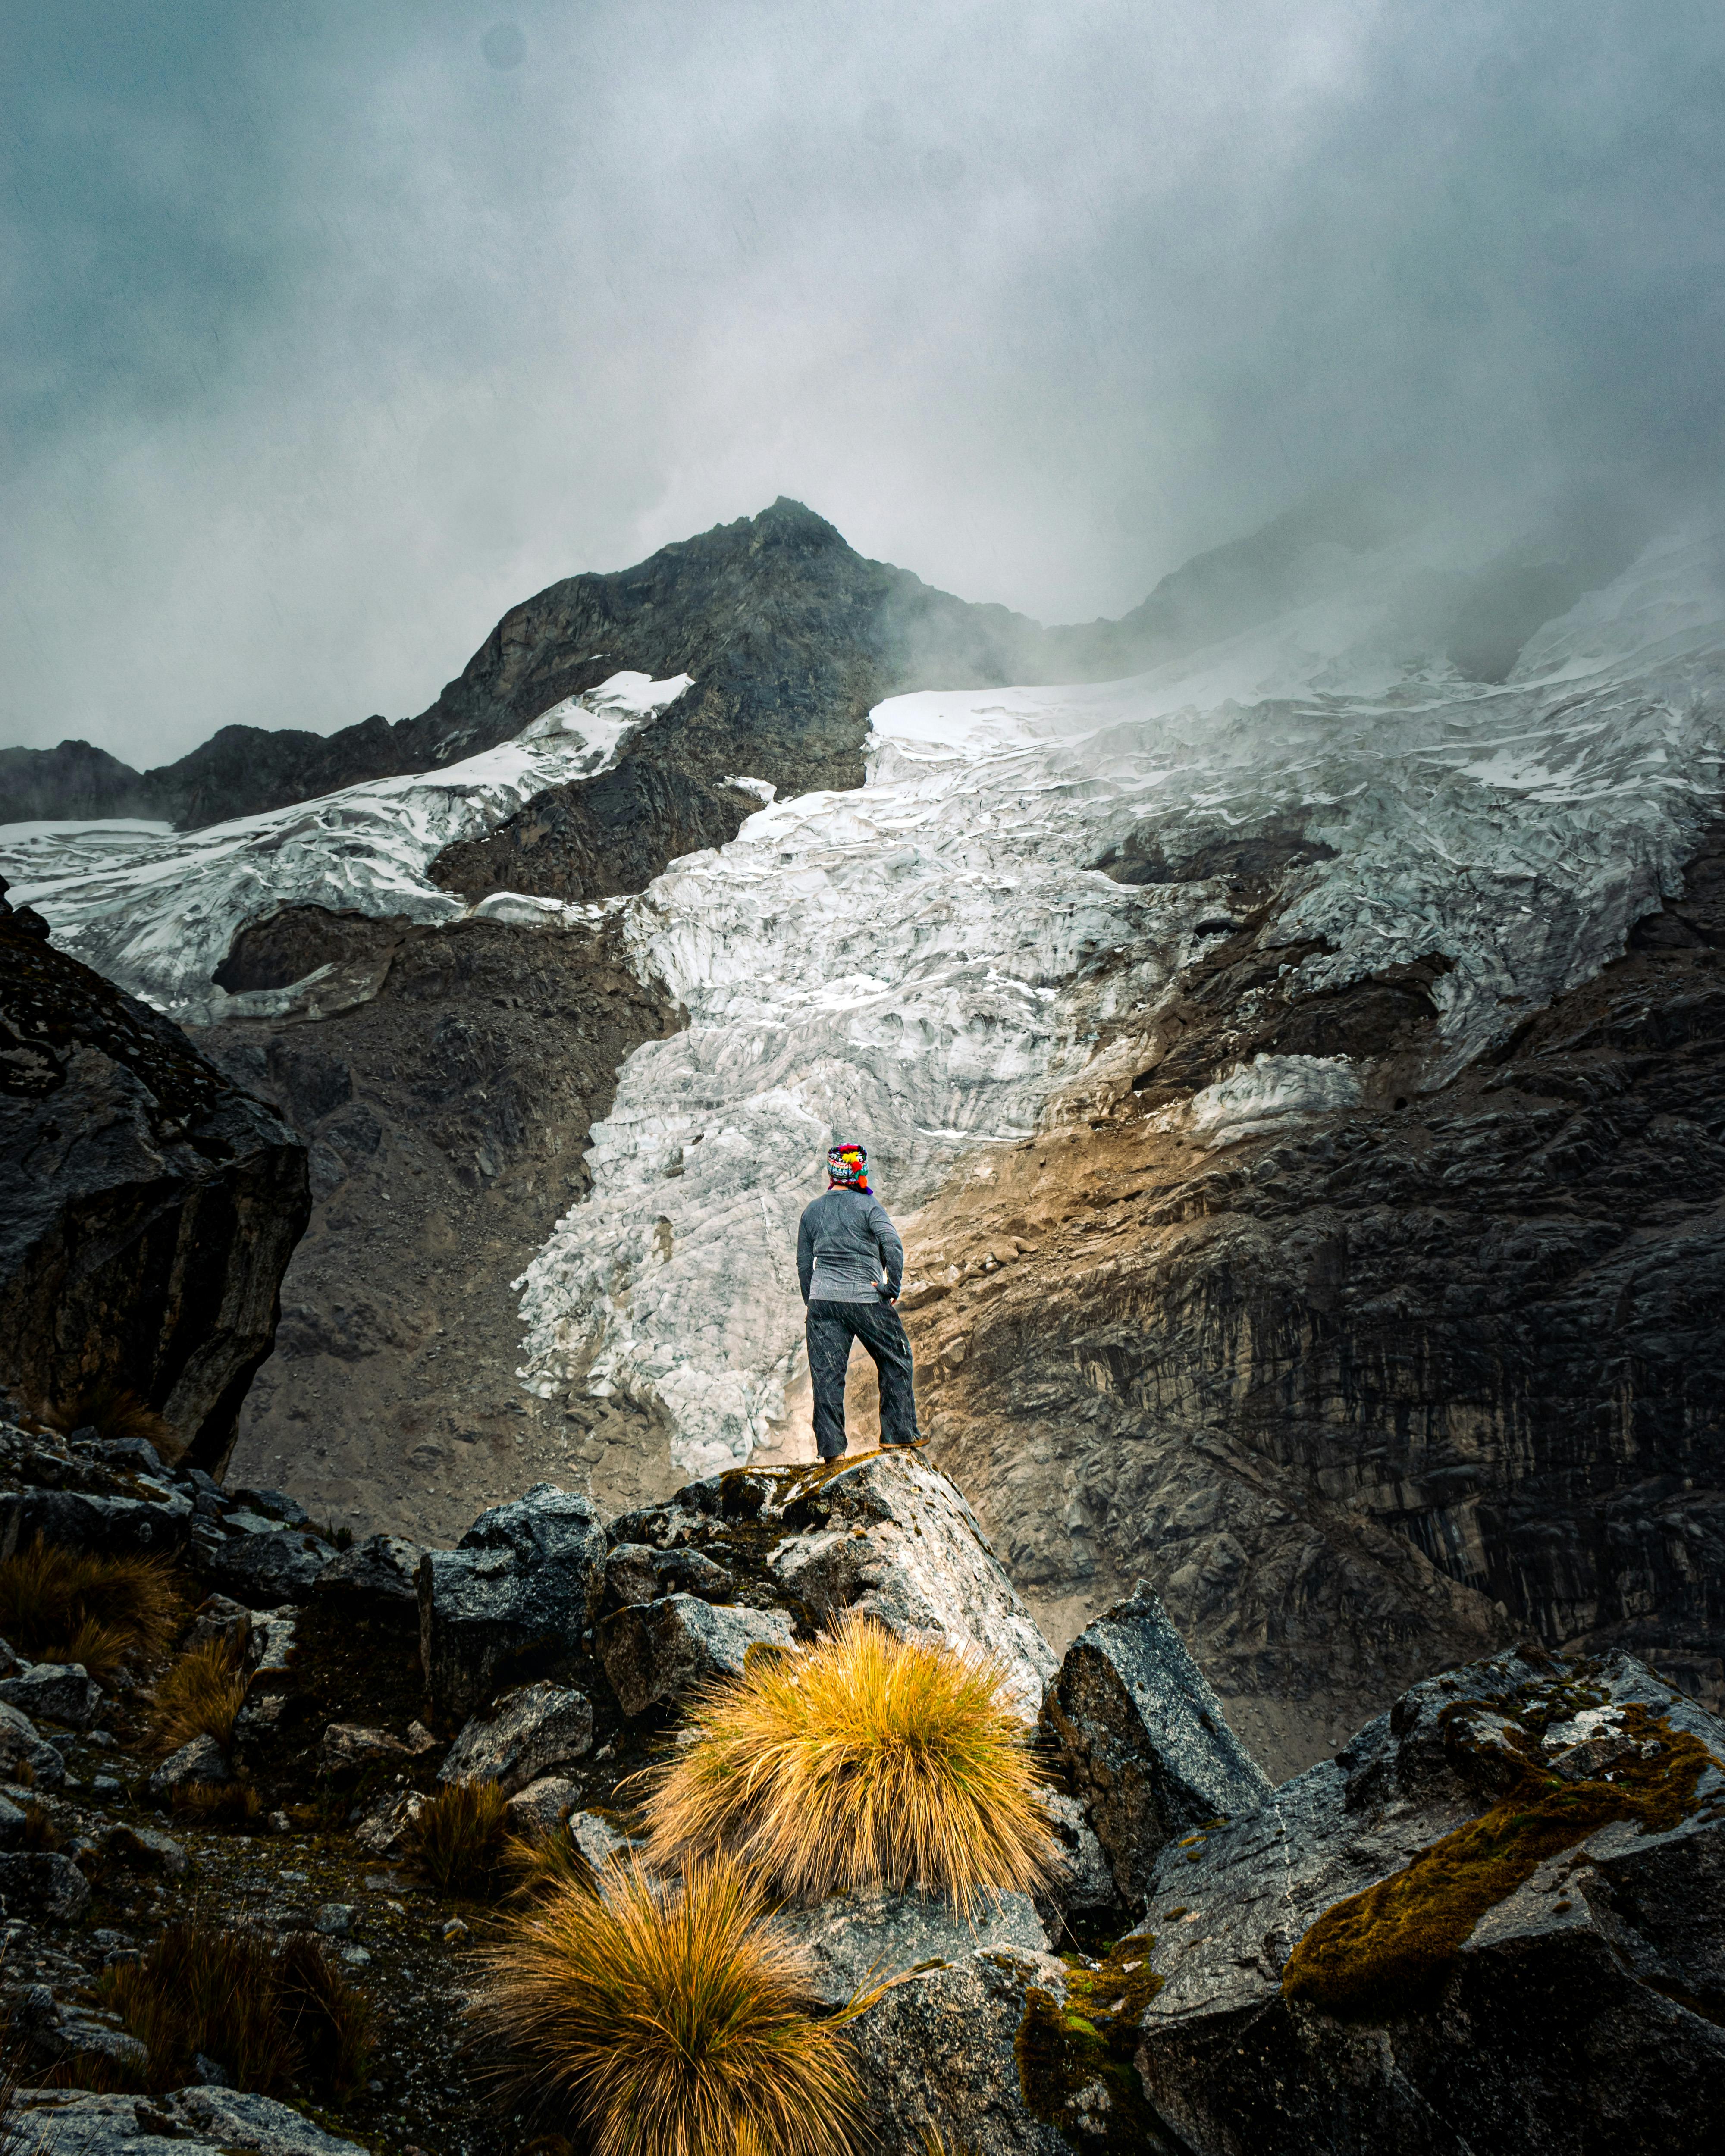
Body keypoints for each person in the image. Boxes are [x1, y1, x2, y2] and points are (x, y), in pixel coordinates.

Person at [797, 1141, 924, 1460]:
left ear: (832, 1173)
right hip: (866, 1298)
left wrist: (813, 1301)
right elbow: (892, 1245)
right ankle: (898, 1436)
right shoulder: (869, 1207)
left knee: (827, 1377)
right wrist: (891, 1287)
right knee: (896, 1357)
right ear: (860, 1172)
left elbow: (803, 1263)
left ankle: (833, 1455)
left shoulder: (812, 1211)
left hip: (823, 1301)